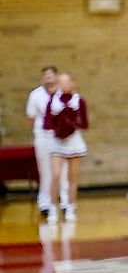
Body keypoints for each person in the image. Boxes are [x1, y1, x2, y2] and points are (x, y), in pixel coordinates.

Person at [42, 72, 88, 224]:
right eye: (60, 83)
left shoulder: (79, 101)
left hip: (74, 142)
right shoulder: (52, 101)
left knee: (72, 177)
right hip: (57, 142)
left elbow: (85, 124)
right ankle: (53, 207)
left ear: (72, 83)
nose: (64, 85)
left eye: (66, 82)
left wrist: (71, 126)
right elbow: (46, 123)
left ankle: (70, 207)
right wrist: (58, 127)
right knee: (55, 175)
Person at [26, 66, 65, 218]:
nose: (48, 78)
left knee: (63, 170)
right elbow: (31, 117)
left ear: (56, 77)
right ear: (42, 79)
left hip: (61, 137)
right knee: (45, 171)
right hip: (43, 136)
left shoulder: (64, 93)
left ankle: (64, 202)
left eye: (50, 75)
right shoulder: (35, 95)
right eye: (45, 76)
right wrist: (38, 133)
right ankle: (45, 203)